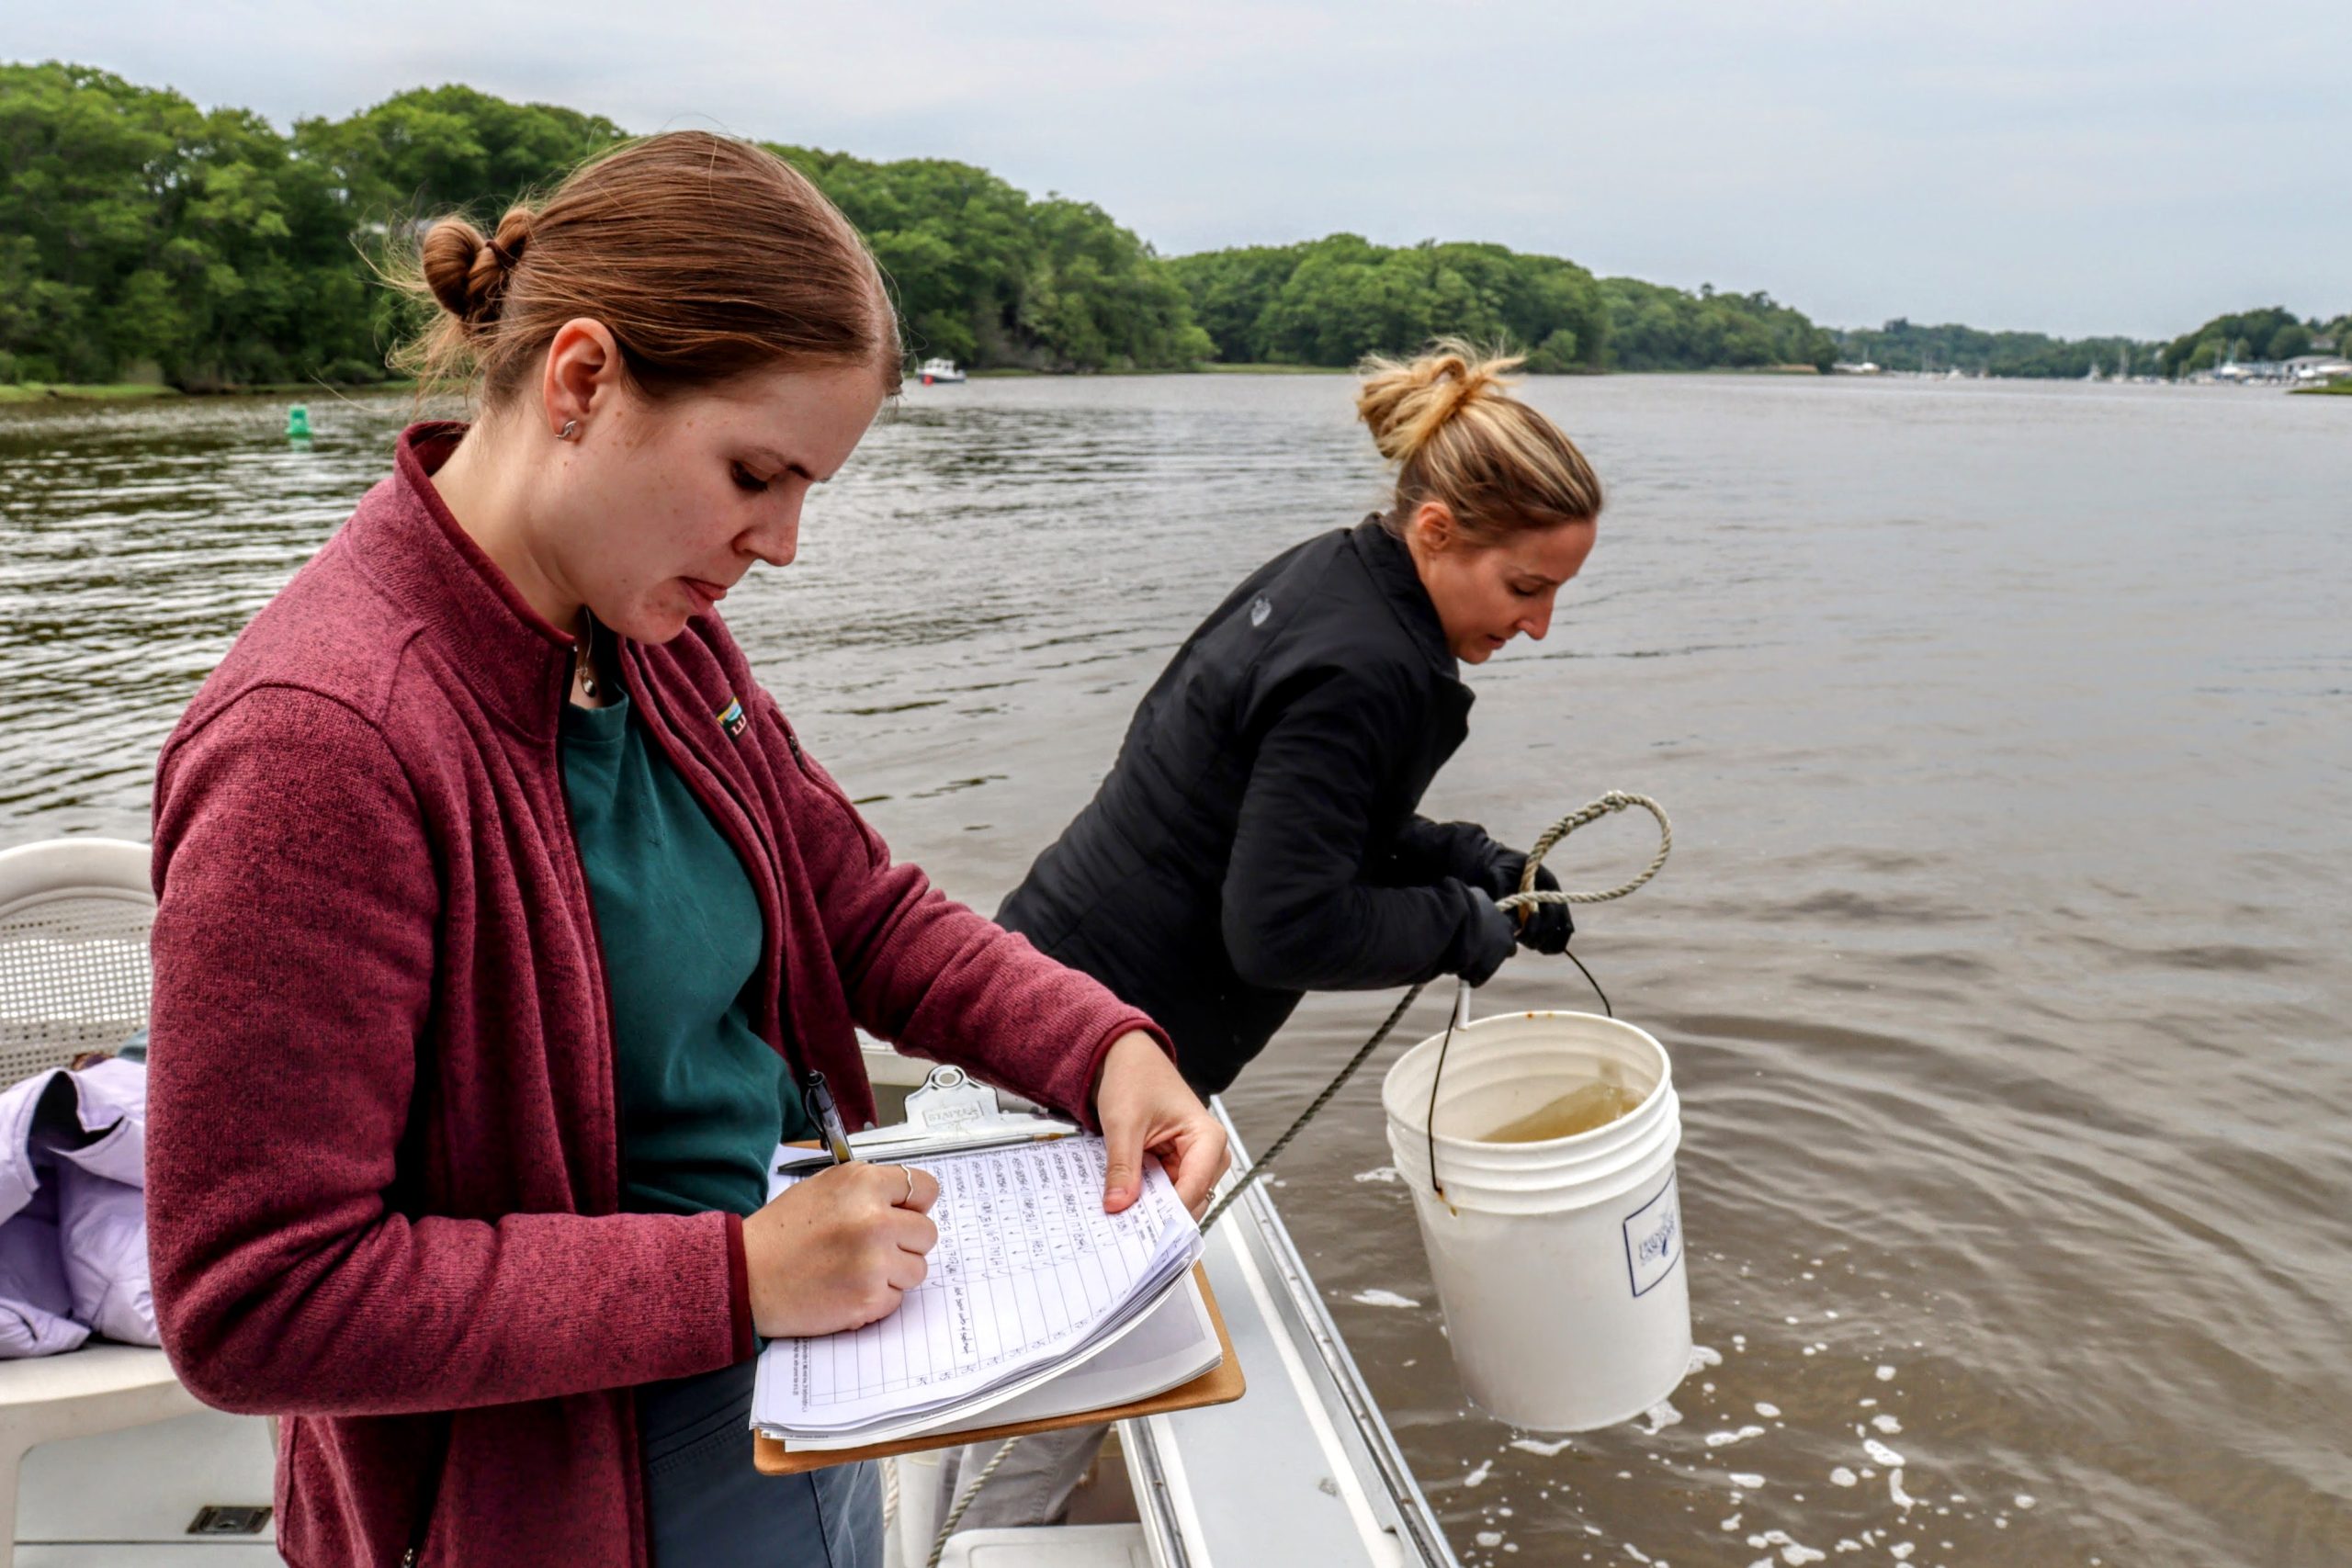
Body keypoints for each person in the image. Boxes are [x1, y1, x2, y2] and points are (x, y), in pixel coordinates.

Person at [142, 131, 1226, 1568]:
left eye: (807, 491)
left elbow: (860, 910)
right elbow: (256, 1298)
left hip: (810, 1357)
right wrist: (734, 1278)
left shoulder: (650, 627)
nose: (780, 543)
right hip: (558, 1491)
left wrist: (1096, 1047)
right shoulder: (318, 742)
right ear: (582, 381)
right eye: (755, 474)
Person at [936, 341, 1602, 1526]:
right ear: (1439, 530)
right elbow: (1282, 926)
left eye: (1556, 593)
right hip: (1091, 1073)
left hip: (1036, 991)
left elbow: (1302, 818)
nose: (1542, 626)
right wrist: (1458, 928)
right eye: (1524, 587)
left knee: (995, 1382)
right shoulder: (1369, 665)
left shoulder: (1334, 578)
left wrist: (1474, 861)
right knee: (1031, 1428)